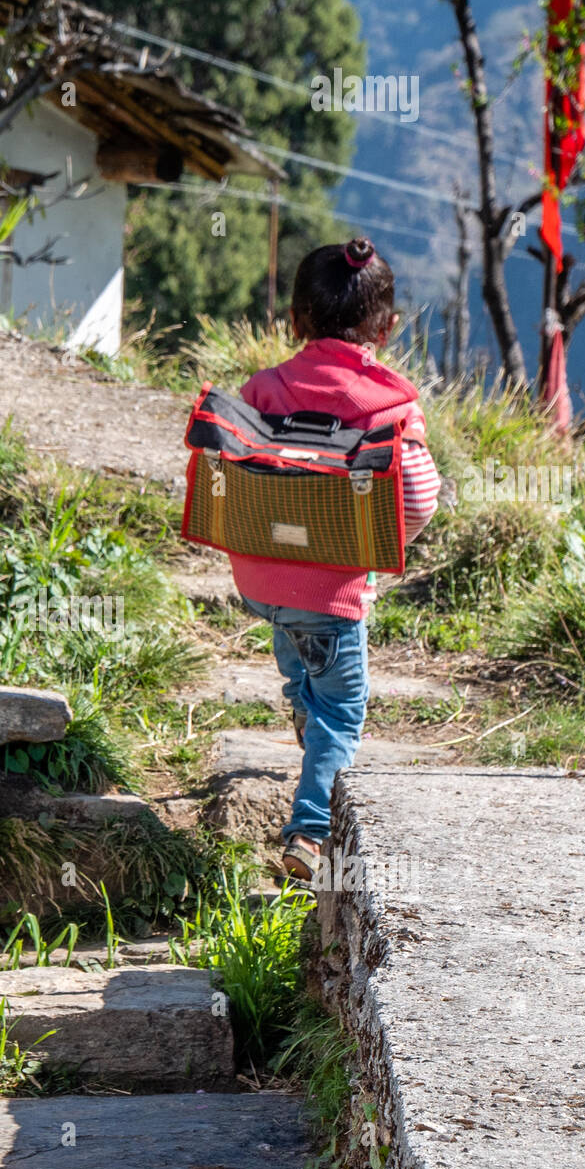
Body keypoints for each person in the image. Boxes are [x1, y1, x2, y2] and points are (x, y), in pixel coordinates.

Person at [230, 236, 440, 881]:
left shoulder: (262, 388)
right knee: (344, 712)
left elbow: (233, 478)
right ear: (388, 327)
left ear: (293, 321)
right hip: (331, 589)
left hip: (261, 576)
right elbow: (417, 496)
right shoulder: (387, 403)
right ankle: (311, 833)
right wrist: (376, 537)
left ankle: (303, 714)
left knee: (300, 657)